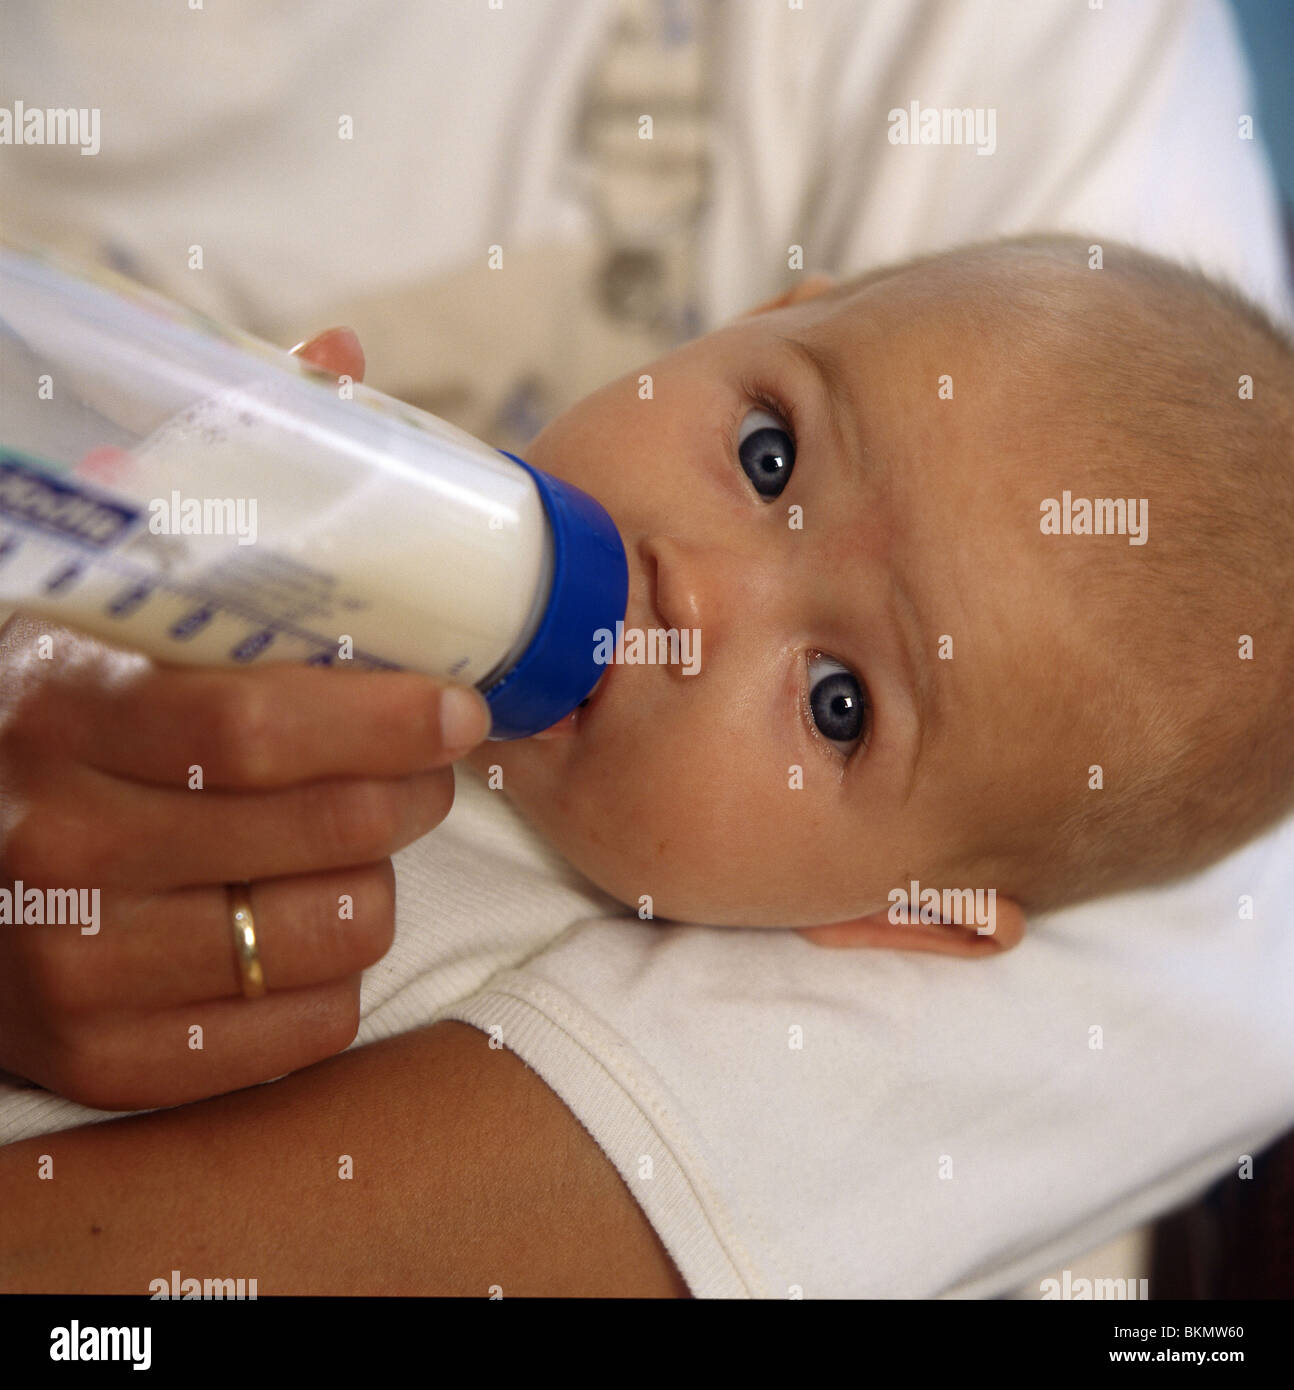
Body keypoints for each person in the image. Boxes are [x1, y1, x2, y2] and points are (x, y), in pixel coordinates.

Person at [1, 0, 1292, 1297]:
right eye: (766, 451)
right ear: (756, 317)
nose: (697, 591)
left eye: (838, 703)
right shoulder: (355, 556)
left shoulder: (582, 1010)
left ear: (906, 919)